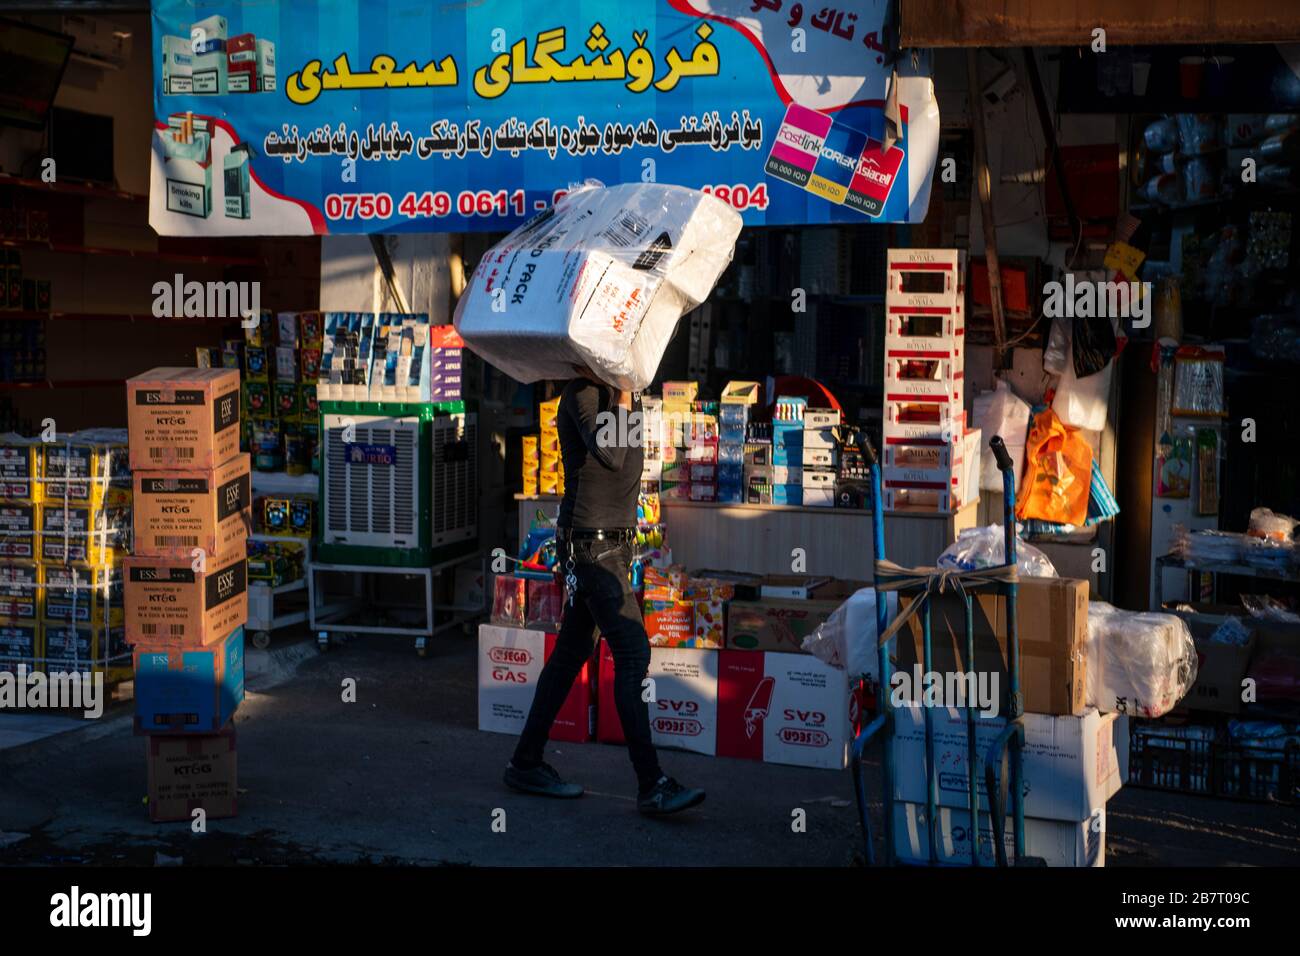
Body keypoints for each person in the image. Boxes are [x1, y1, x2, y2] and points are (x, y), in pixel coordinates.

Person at [504, 367, 705, 816]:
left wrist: (626, 394)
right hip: (590, 546)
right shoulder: (582, 393)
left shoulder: (617, 395)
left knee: (571, 653)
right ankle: (652, 784)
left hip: (611, 544)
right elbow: (612, 455)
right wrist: (624, 394)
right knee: (632, 653)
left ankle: (525, 762)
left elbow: (626, 463)